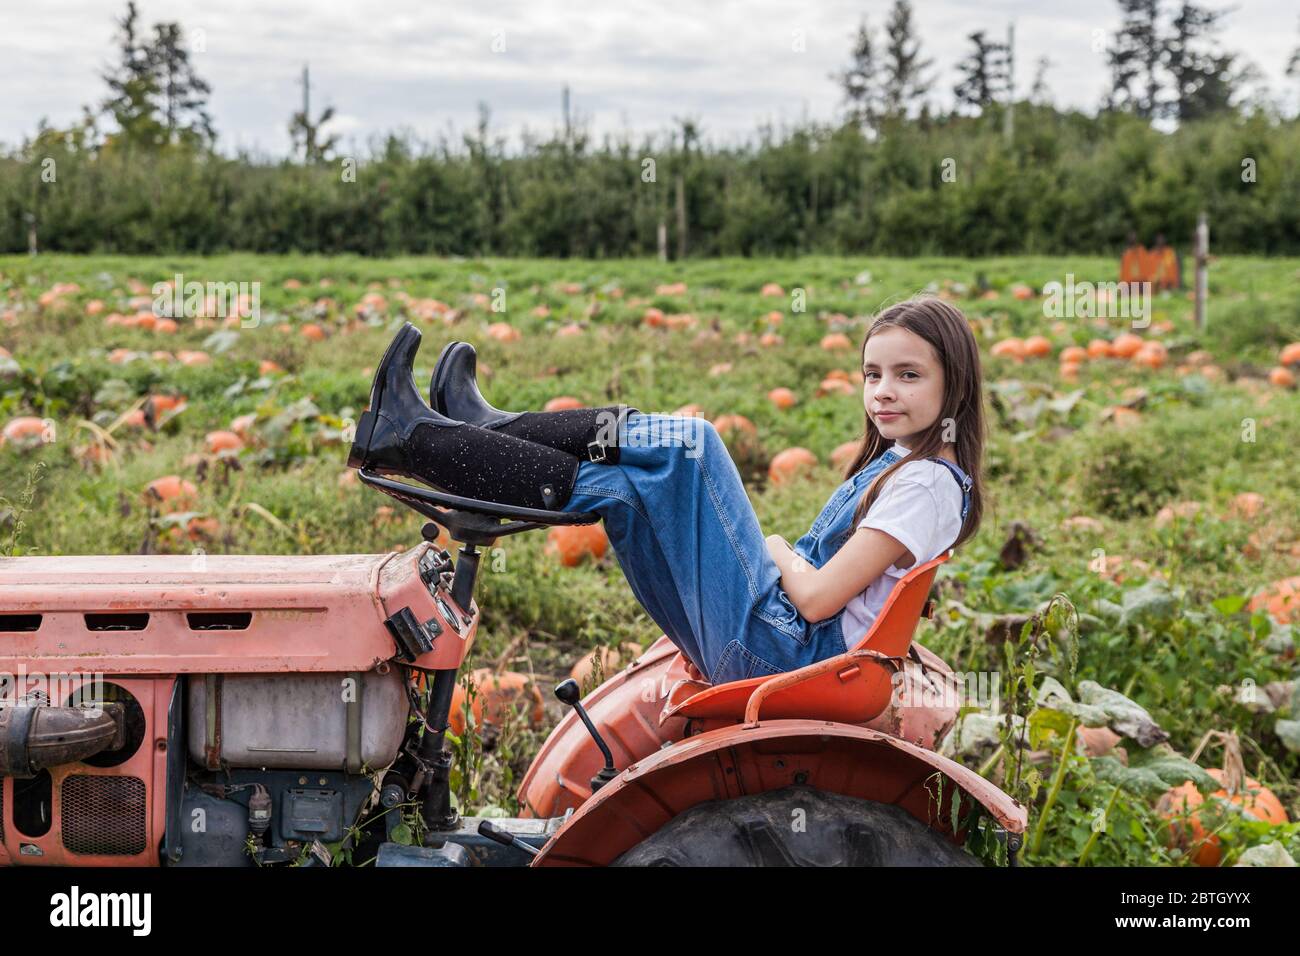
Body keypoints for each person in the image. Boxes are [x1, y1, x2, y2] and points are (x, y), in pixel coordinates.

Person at [349, 296, 983, 686]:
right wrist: (781, 555)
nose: (883, 391)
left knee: (694, 442)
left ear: (954, 384)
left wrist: (782, 550)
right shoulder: (912, 466)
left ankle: (464, 433)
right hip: (778, 646)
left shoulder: (927, 485)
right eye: (873, 374)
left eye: (907, 375)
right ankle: (437, 443)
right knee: (626, 488)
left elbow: (817, 600)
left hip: (785, 650)